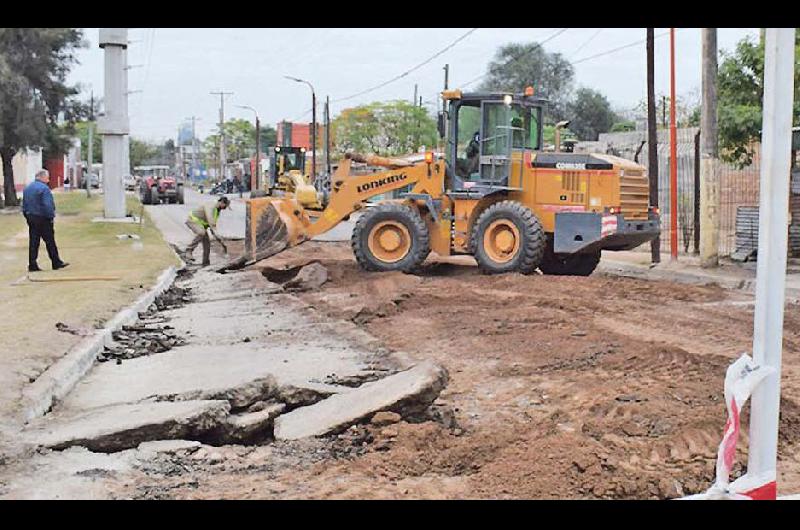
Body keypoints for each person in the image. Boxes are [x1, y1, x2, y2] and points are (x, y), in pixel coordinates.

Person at [22, 169, 68, 272]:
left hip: (31, 217)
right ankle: (56, 262)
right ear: (42, 177)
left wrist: (27, 216)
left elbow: (24, 205)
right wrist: (51, 216)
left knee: (34, 241)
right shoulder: (44, 188)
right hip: (43, 218)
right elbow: (47, 205)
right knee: (50, 241)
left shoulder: (28, 188)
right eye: (47, 178)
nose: (48, 180)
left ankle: (32, 264)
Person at [184, 196, 230, 266]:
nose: (225, 208)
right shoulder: (211, 206)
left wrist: (219, 240)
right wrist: (217, 235)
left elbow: (212, 228)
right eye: (225, 206)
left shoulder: (217, 211)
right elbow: (211, 222)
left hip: (201, 225)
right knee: (201, 232)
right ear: (221, 202)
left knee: (207, 244)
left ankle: (206, 263)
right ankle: (188, 250)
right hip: (192, 221)